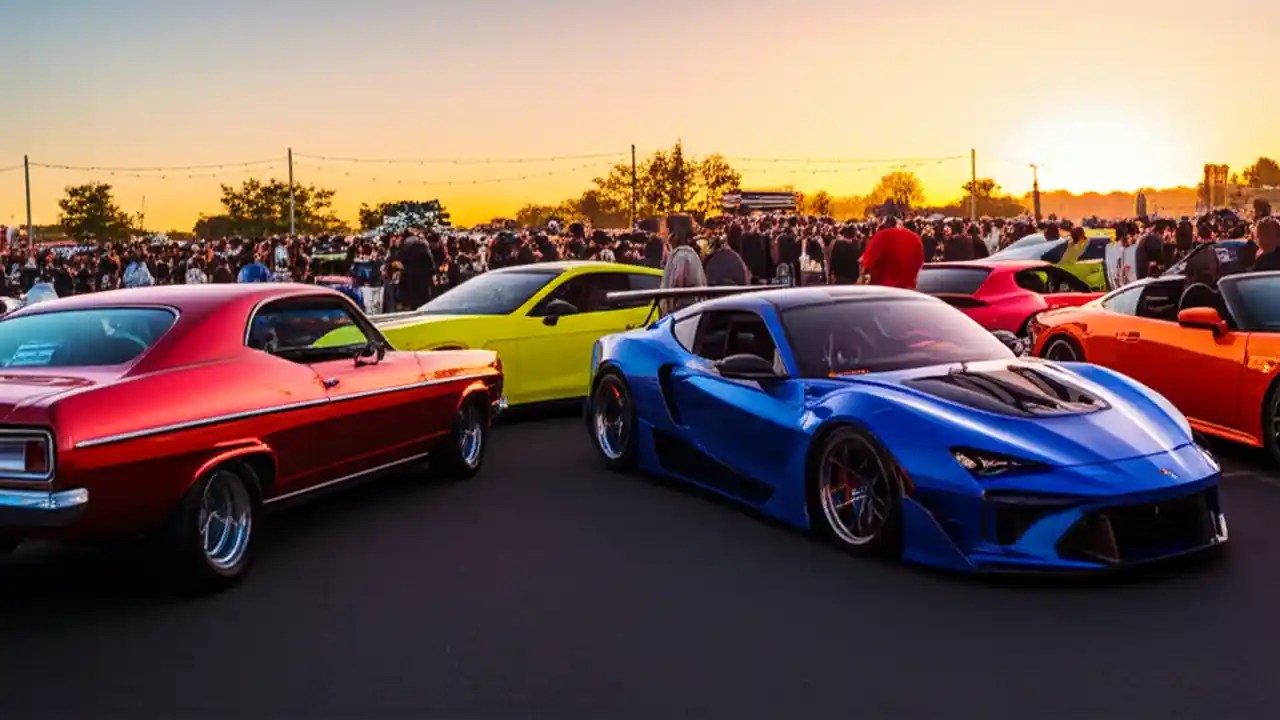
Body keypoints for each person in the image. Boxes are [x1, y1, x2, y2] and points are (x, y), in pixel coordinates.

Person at [658, 214, 706, 314]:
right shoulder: (682, 254)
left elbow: (677, 290)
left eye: (664, 226)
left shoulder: (682, 256)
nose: (661, 231)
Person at [860, 217, 924, 289]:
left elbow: (867, 262)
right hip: (907, 289)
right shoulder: (914, 238)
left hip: (882, 289)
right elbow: (919, 262)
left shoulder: (879, 237)